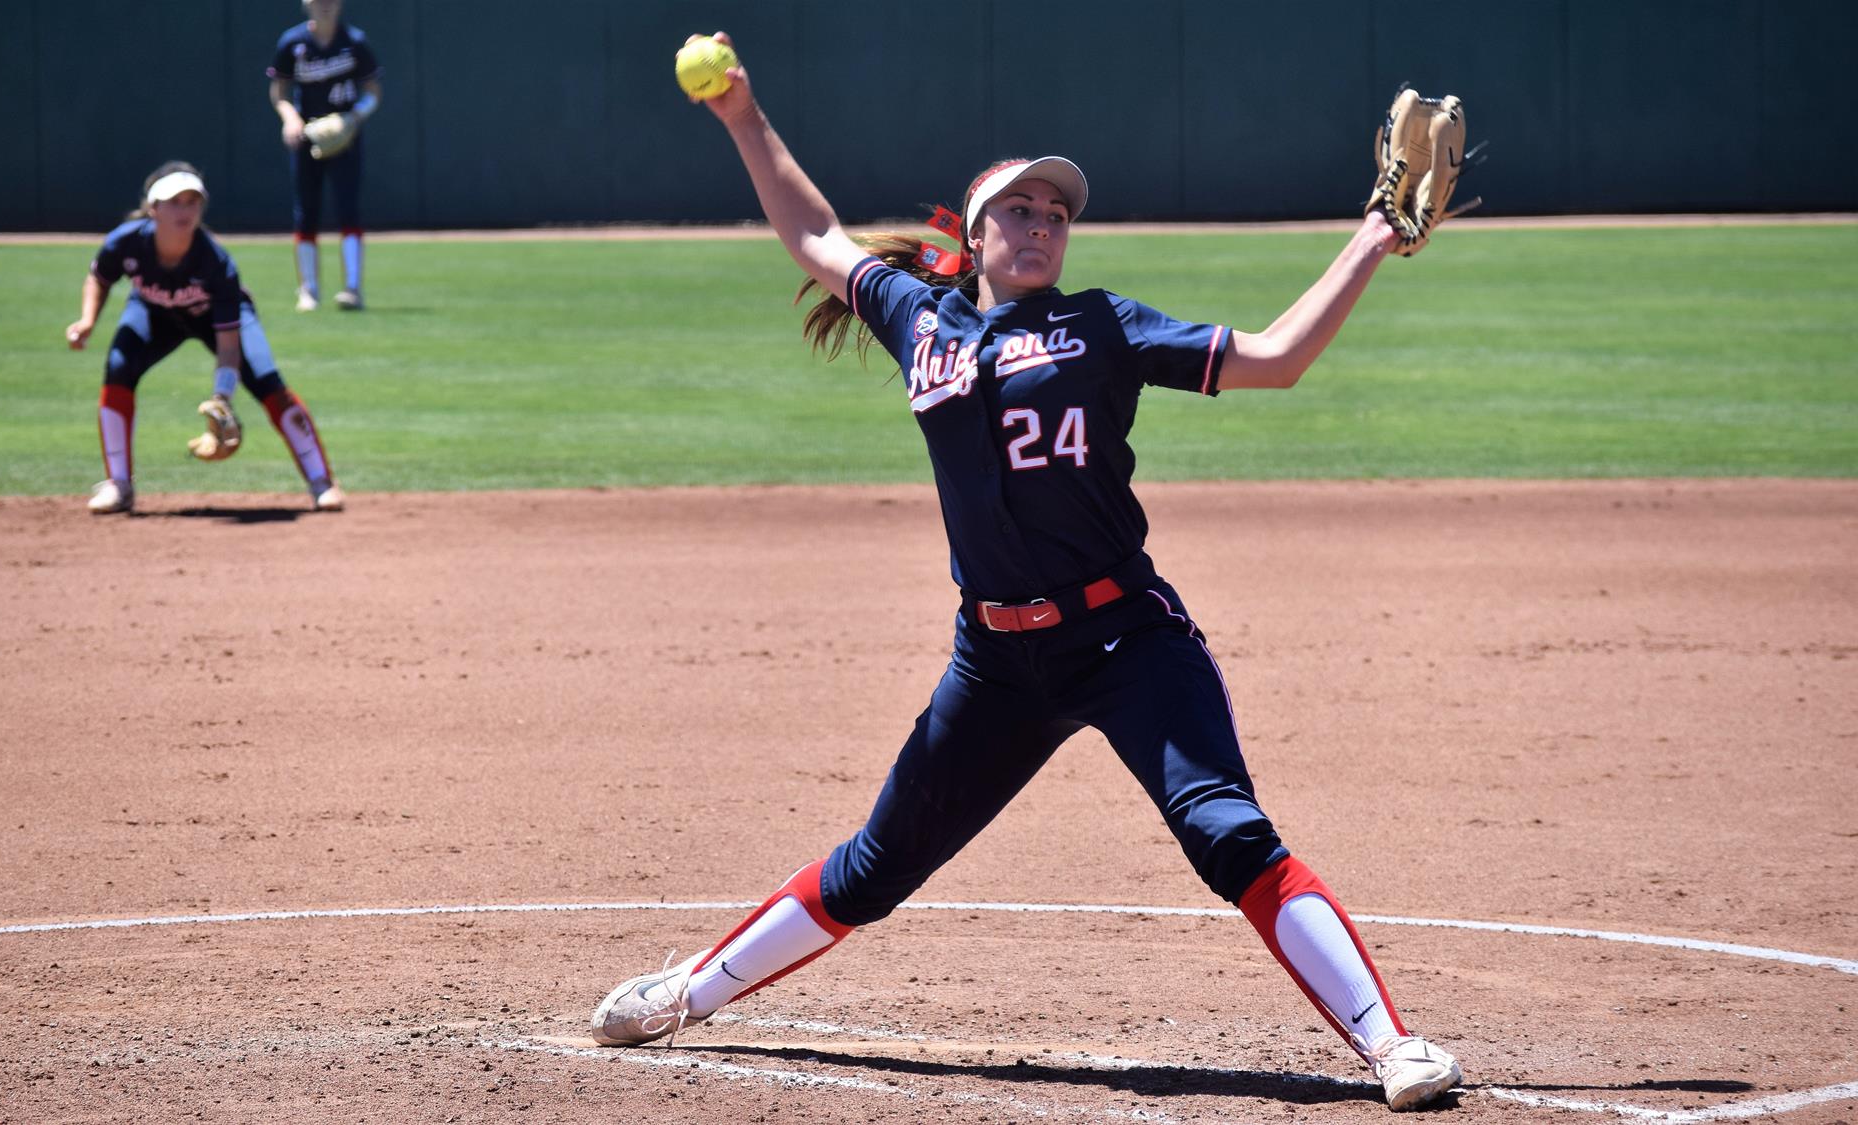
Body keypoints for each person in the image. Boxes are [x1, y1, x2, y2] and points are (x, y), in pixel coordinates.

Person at [587, 33, 1465, 1113]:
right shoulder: (918, 319)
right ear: (973, 236)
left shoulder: (1102, 325)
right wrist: (740, 114)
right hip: (995, 663)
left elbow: (1278, 358)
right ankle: (686, 994)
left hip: (1126, 639)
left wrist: (1372, 236)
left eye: (1056, 212)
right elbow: (813, 232)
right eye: (1020, 208)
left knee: (1224, 831)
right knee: (874, 868)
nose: (1043, 223)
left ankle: (1391, 1045)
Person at [65, 162, 344, 515]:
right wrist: (88, 320)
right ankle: (118, 485)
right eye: (175, 202)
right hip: (154, 313)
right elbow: (100, 278)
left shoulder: (216, 262)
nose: (185, 210)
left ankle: (322, 482)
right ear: (153, 208)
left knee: (268, 381)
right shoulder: (126, 242)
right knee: (118, 368)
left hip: (216, 319)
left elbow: (228, 345)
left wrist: (221, 398)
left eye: (192, 201)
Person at [268, 0, 382, 311]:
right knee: (306, 212)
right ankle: (308, 290)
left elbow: (373, 92)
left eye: (331, 0)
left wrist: (353, 118)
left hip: (345, 137)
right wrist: (290, 119)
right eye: (319, 1)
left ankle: (353, 289)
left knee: (348, 210)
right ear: (307, 4)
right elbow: (279, 92)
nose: (326, 6)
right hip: (307, 136)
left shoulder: (354, 41)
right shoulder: (293, 42)